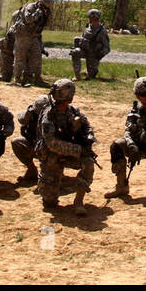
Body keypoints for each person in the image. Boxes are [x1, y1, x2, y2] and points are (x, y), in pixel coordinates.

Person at [35, 78, 96, 215]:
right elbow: (52, 144)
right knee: (49, 202)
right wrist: (78, 150)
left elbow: (87, 127)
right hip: (52, 156)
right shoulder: (48, 116)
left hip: (72, 154)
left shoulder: (74, 112)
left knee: (88, 163)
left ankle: (79, 201)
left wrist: (88, 140)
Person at [10, 0, 53, 87]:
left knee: (37, 56)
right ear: (40, 4)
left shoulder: (46, 12)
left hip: (34, 36)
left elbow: (44, 25)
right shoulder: (31, 7)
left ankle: (37, 78)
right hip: (23, 35)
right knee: (20, 57)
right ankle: (17, 78)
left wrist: (46, 14)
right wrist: (38, 13)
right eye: (45, 7)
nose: (46, 9)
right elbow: (28, 19)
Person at [10, 91, 51, 184]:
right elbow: (21, 119)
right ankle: (31, 169)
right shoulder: (31, 114)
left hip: (50, 150)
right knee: (16, 142)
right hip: (35, 145)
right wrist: (29, 112)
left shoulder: (55, 116)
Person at [70, 9, 111, 80]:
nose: (90, 19)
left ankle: (89, 70)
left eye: (91, 18)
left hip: (93, 55)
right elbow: (83, 38)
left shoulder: (102, 31)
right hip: (84, 50)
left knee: (91, 75)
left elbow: (107, 47)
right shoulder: (87, 27)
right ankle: (77, 75)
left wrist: (99, 56)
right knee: (75, 52)